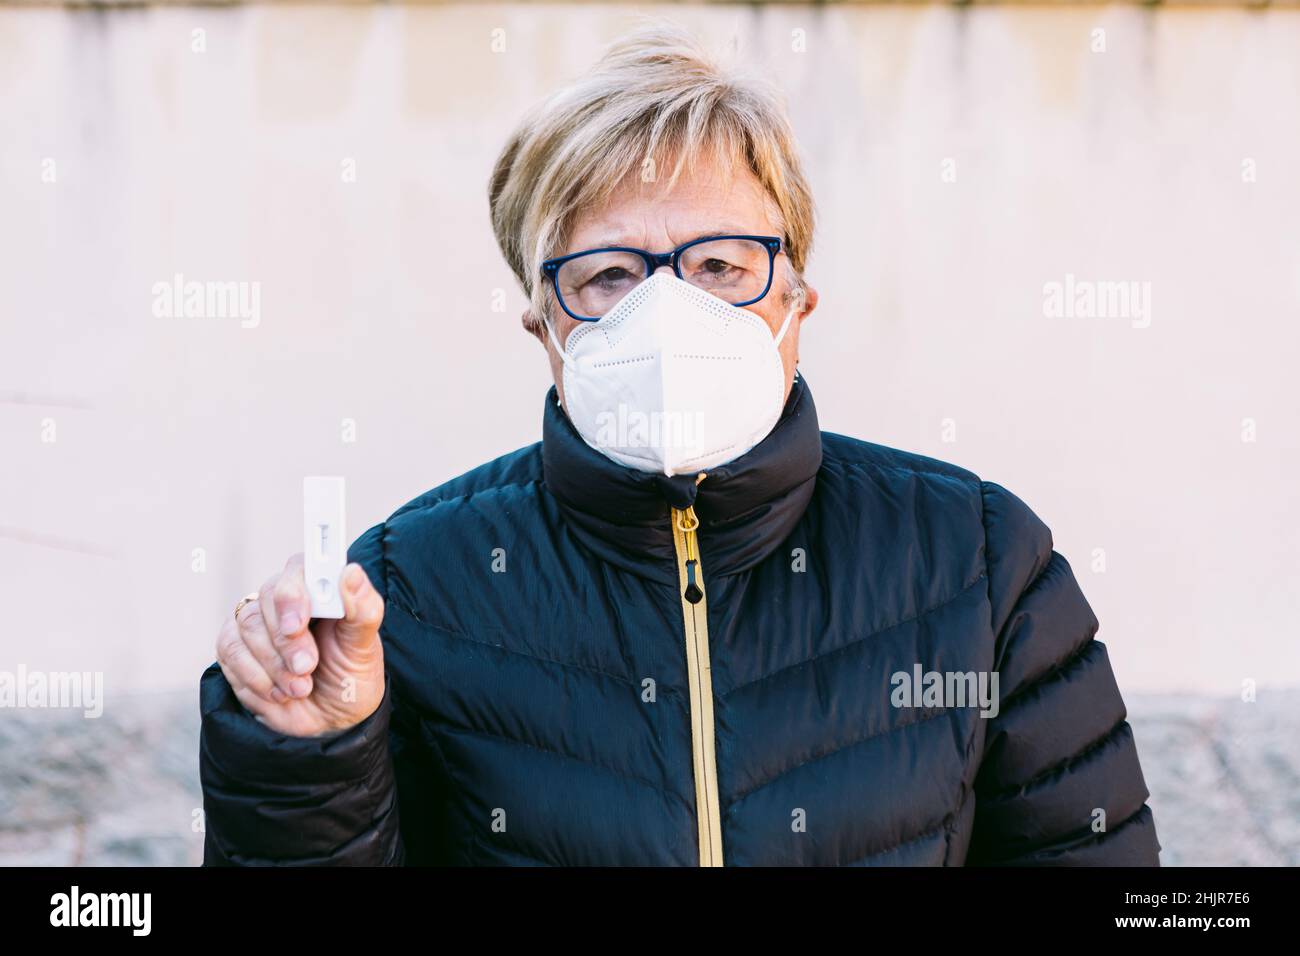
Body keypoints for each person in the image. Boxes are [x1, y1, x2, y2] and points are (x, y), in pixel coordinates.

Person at [198, 23, 1161, 866]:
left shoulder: (979, 566)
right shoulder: (412, 590)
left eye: (719, 265)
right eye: (610, 273)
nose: (669, 309)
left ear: (797, 299)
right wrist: (308, 756)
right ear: (544, 328)